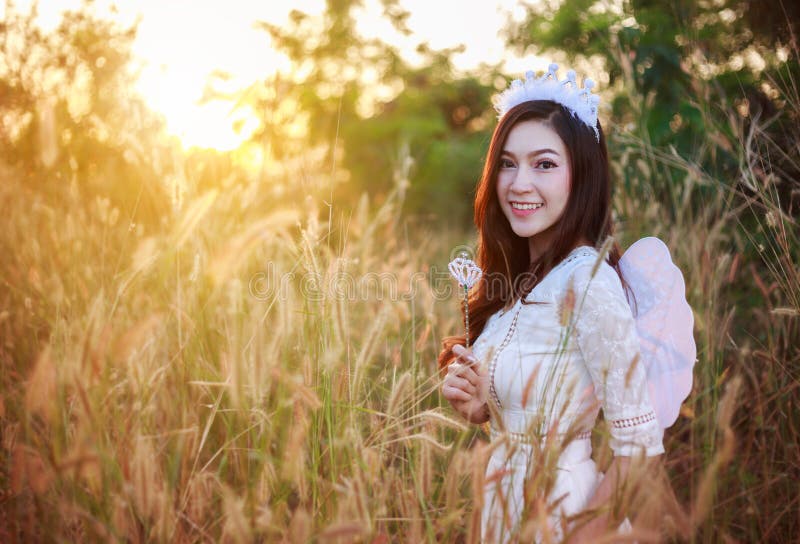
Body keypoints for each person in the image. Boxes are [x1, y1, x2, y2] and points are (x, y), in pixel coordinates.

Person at [439, 64, 669, 542]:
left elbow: (639, 450)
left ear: (580, 175)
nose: (519, 183)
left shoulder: (588, 281)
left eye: (543, 164)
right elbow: (523, 416)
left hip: (565, 514)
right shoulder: (517, 283)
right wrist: (481, 406)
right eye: (507, 163)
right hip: (503, 509)